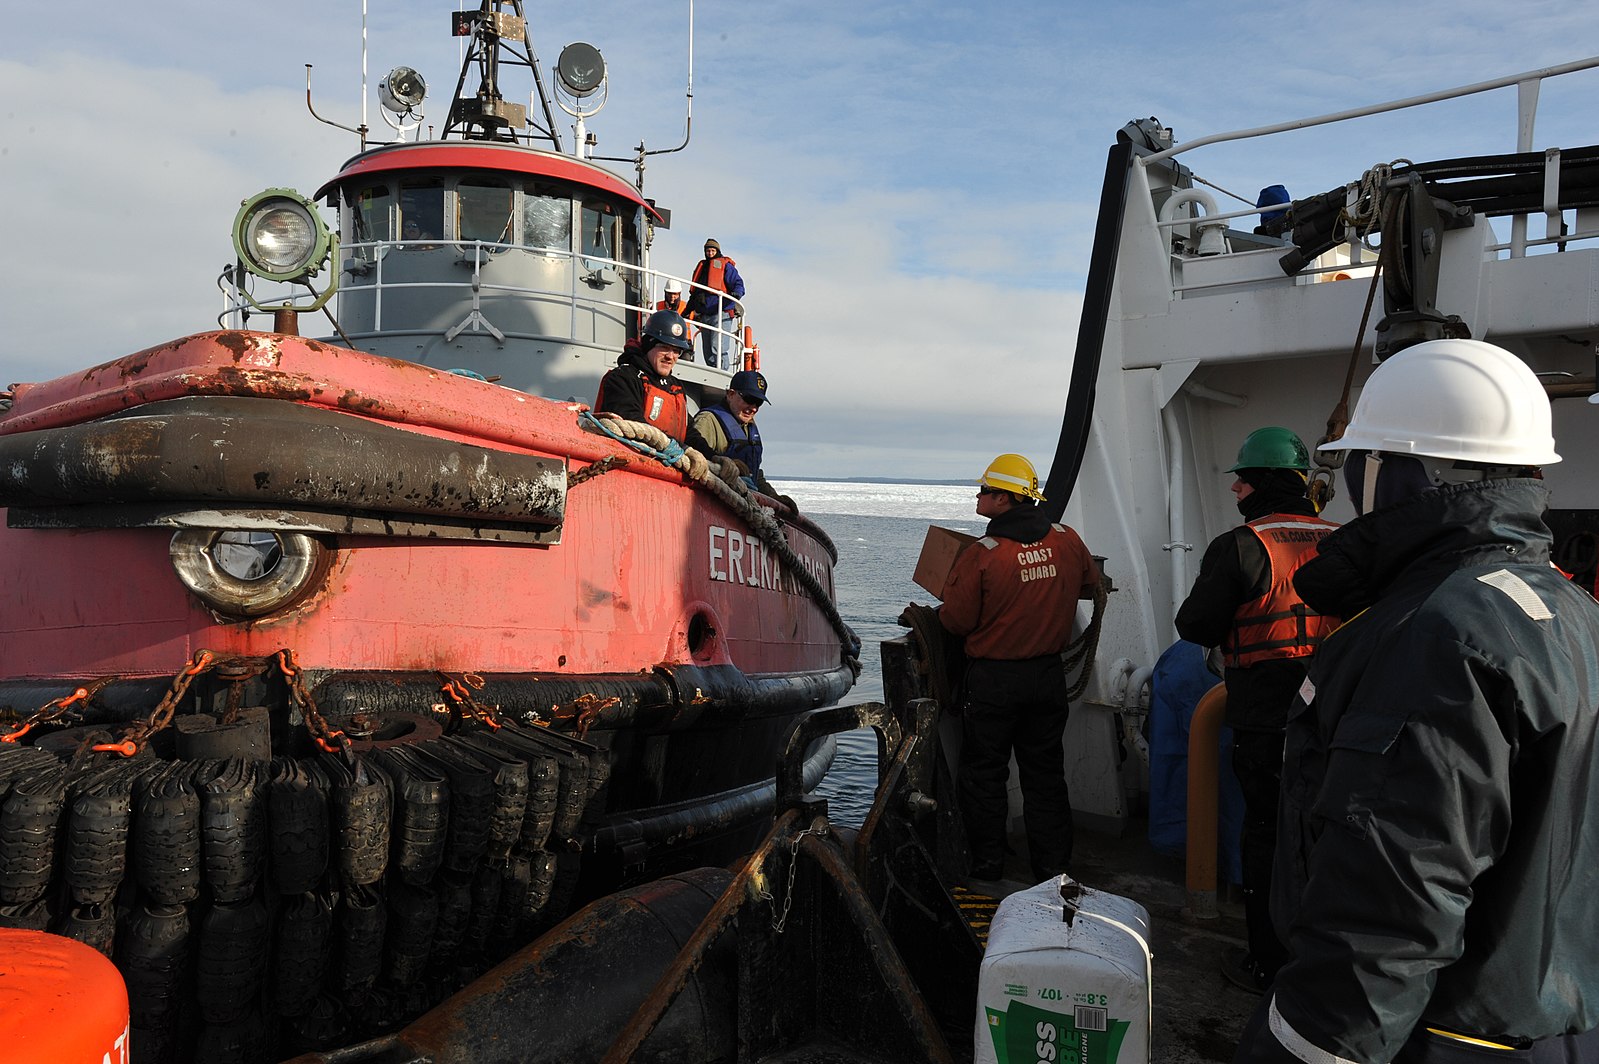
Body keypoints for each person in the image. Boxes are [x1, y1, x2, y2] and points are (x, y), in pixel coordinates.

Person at [1233, 339, 1599, 1063]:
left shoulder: (1434, 637)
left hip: (1444, 1034)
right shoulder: (1569, 609)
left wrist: (1301, 1048)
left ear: (1397, 471)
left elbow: (1387, 910)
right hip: (1561, 1018)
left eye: (1359, 461)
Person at [1175, 427, 1337, 996]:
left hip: (1267, 711)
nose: (1235, 489)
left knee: (1267, 829)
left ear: (1266, 482)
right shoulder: (1344, 539)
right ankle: (1324, 958)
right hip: (1337, 709)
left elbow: (1195, 624)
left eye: (1243, 480)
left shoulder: (1242, 545)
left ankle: (1268, 962)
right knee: (1326, 830)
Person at [938, 453, 1100, 883]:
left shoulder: (983, 555)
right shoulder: (1066, 540)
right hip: (1047, 678)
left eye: (985, 490)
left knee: (984, 774)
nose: (978, 495)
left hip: (995, 682)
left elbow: (955, 621)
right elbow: (1088, 583)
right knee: (1045, 774)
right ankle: (1052, 867)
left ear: (1005, 499)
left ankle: (987, 866)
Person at [593, 309, 712, 453]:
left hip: (669, 461)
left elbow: (688, 432)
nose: (670, 356)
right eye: (664, 347)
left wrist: (713, 456)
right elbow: (632, 423)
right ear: (648, 345)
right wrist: (681, 450)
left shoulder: (675, 387)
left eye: (676, 351)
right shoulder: (623, 378)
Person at [691, 369, 777, 496]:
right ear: (731, 394)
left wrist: (773, 496)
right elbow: (694, 461)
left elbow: (754, 473)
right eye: (749, 399)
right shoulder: (708, 421)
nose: (753, 408)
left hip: (745, 500)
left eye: (759, 402)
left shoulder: (748, 426)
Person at [687, 238, 745, 370]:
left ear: (717, 251)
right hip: (705, 315)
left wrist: (737, 294)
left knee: (718, 347)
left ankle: (722, 373)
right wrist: (687, 311)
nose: (710, 253)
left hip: (721, 312)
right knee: (707, 351)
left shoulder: (725, 266)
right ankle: (713, 372)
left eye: (713, 250)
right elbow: (694, 293)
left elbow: (738, 282)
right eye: (708, 251)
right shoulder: (702, 268)